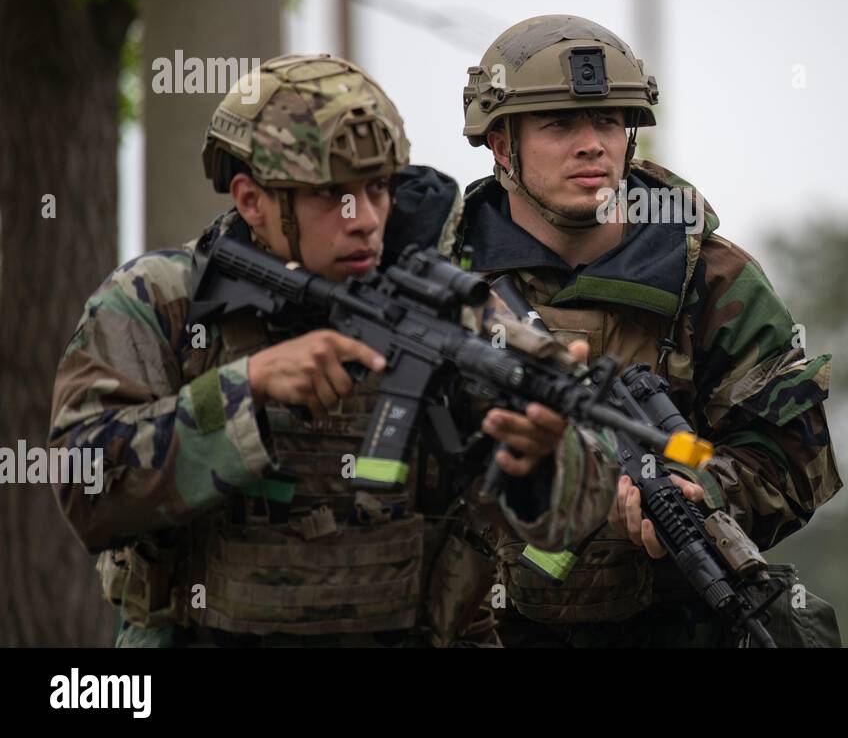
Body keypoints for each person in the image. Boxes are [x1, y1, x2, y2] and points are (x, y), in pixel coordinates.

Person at [49, 53, 616, 646]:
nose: (366, 220)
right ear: (251, 200)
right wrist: (245, 390)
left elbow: (572, 520)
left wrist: (543, 461)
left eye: (378, 189)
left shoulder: (449, 310)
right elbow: (83, 484)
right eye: (330, 194)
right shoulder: (164, 301)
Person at [447, 15, 843, 646]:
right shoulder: (442, 277)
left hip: (669, 622)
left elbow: (794, 456)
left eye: (609, 122)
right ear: (501, 144)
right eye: (560, 124)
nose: (592, 145)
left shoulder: (711, 277)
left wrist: (702, 488)